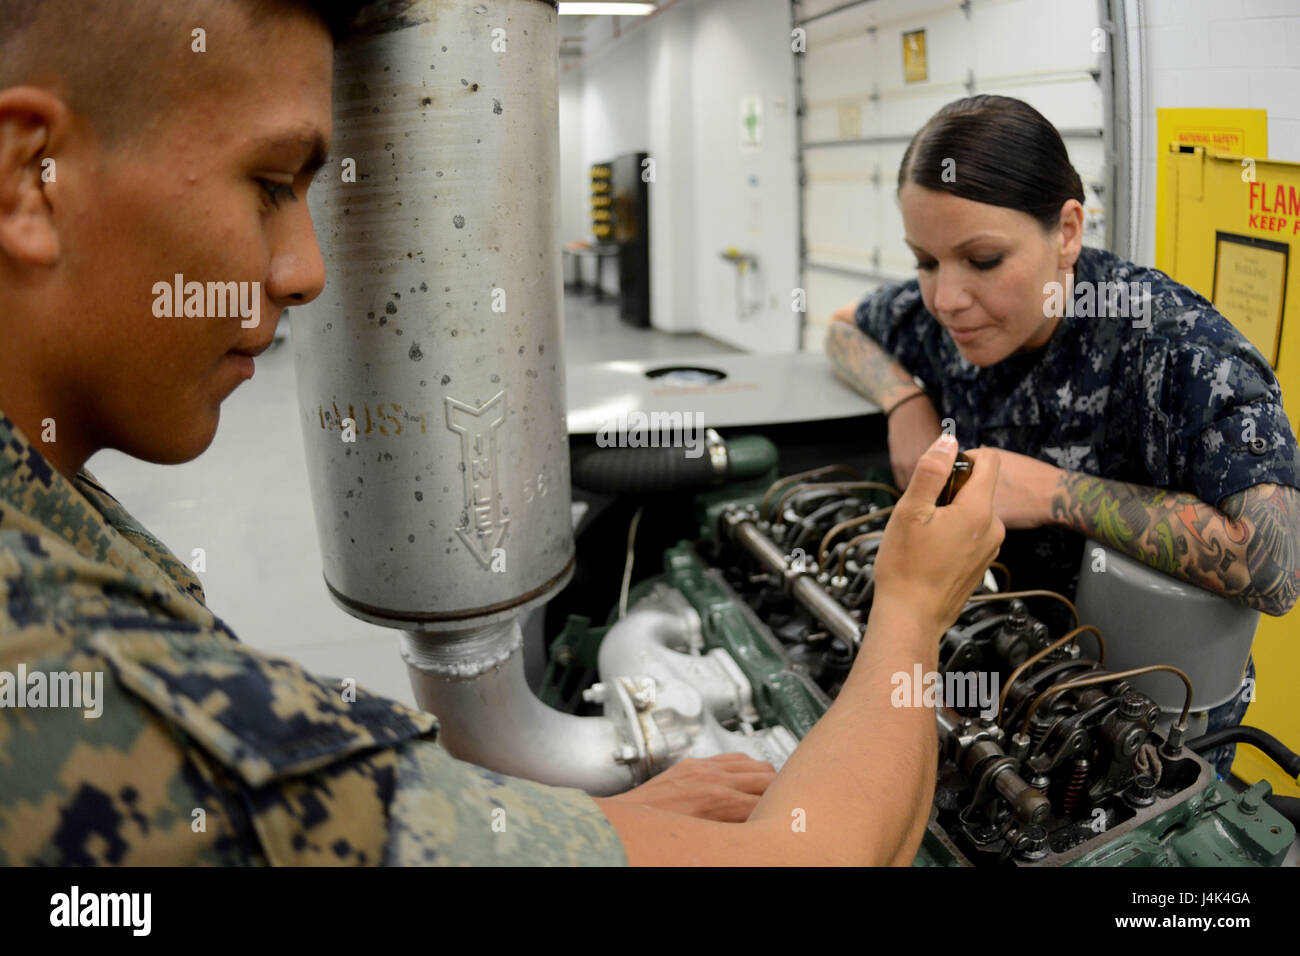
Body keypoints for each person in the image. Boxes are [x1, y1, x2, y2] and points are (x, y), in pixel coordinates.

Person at [0, 0, 1003, 865]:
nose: (307, 269)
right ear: (30, 176)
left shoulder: (53, 515)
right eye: (267, 184)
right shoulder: (92, 690)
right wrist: (911, 610)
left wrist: (550, 825)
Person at [824, 94, 1300, 778]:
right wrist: (905, 400)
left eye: (982, 259)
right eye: (925, 261)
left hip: (1142, 733)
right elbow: (842, 327)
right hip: (998, 686)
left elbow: (1276, 566)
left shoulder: (1176, 349)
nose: (945, 299)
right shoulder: (939, 320)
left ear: (1067, 231)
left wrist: (1055, 493)